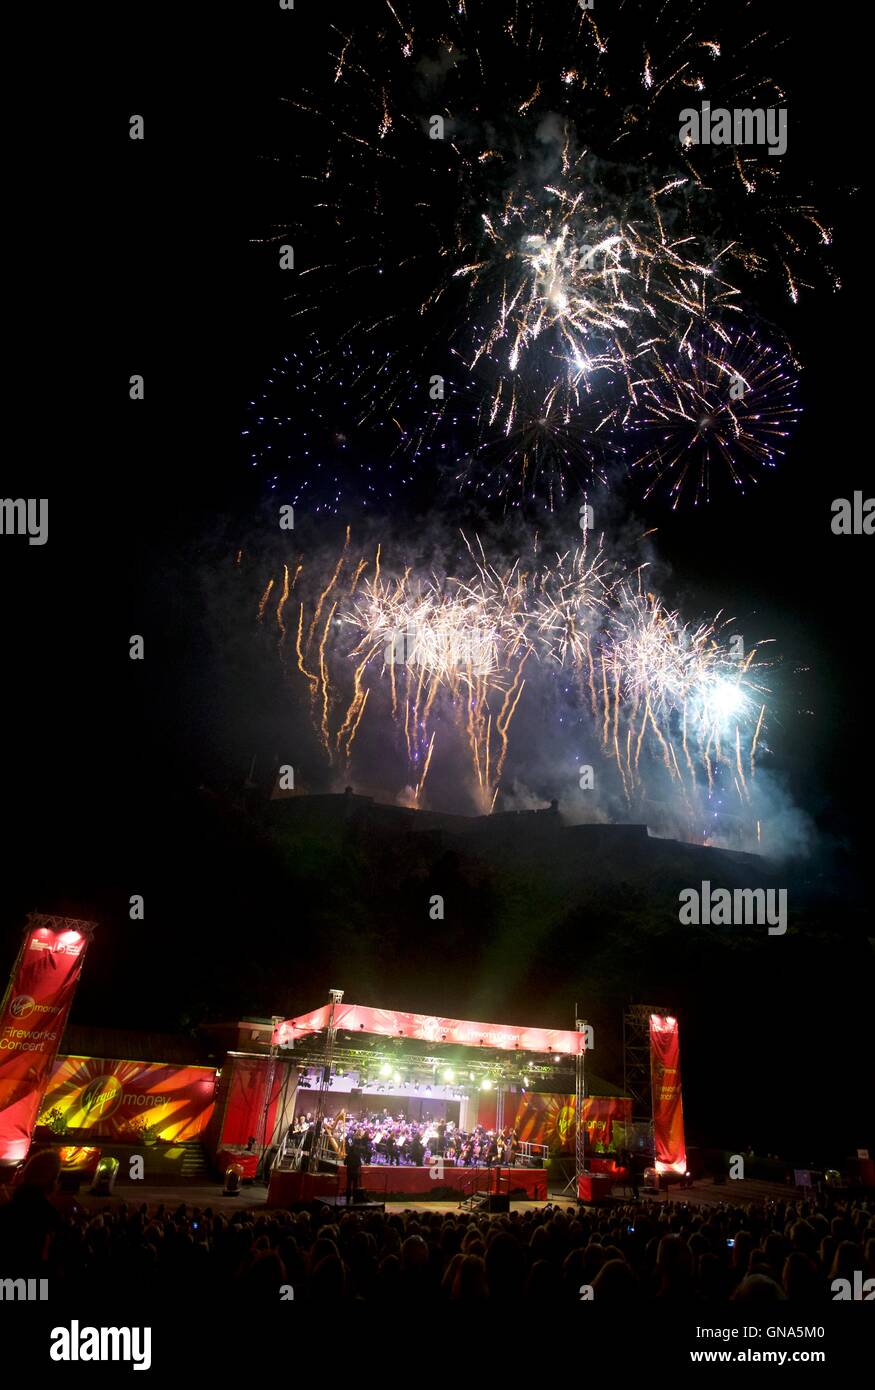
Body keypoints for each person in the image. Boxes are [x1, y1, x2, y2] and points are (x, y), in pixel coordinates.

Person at [345, 1137, 363, 1205]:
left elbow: (344, 1163)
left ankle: (348, 1198)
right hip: (355, 1172)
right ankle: (355, 1198)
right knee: (355, 1186)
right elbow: (360, 1164)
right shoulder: (357, 1156)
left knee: (348, 1185)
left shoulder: (348, 1155)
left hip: (349, 1172)